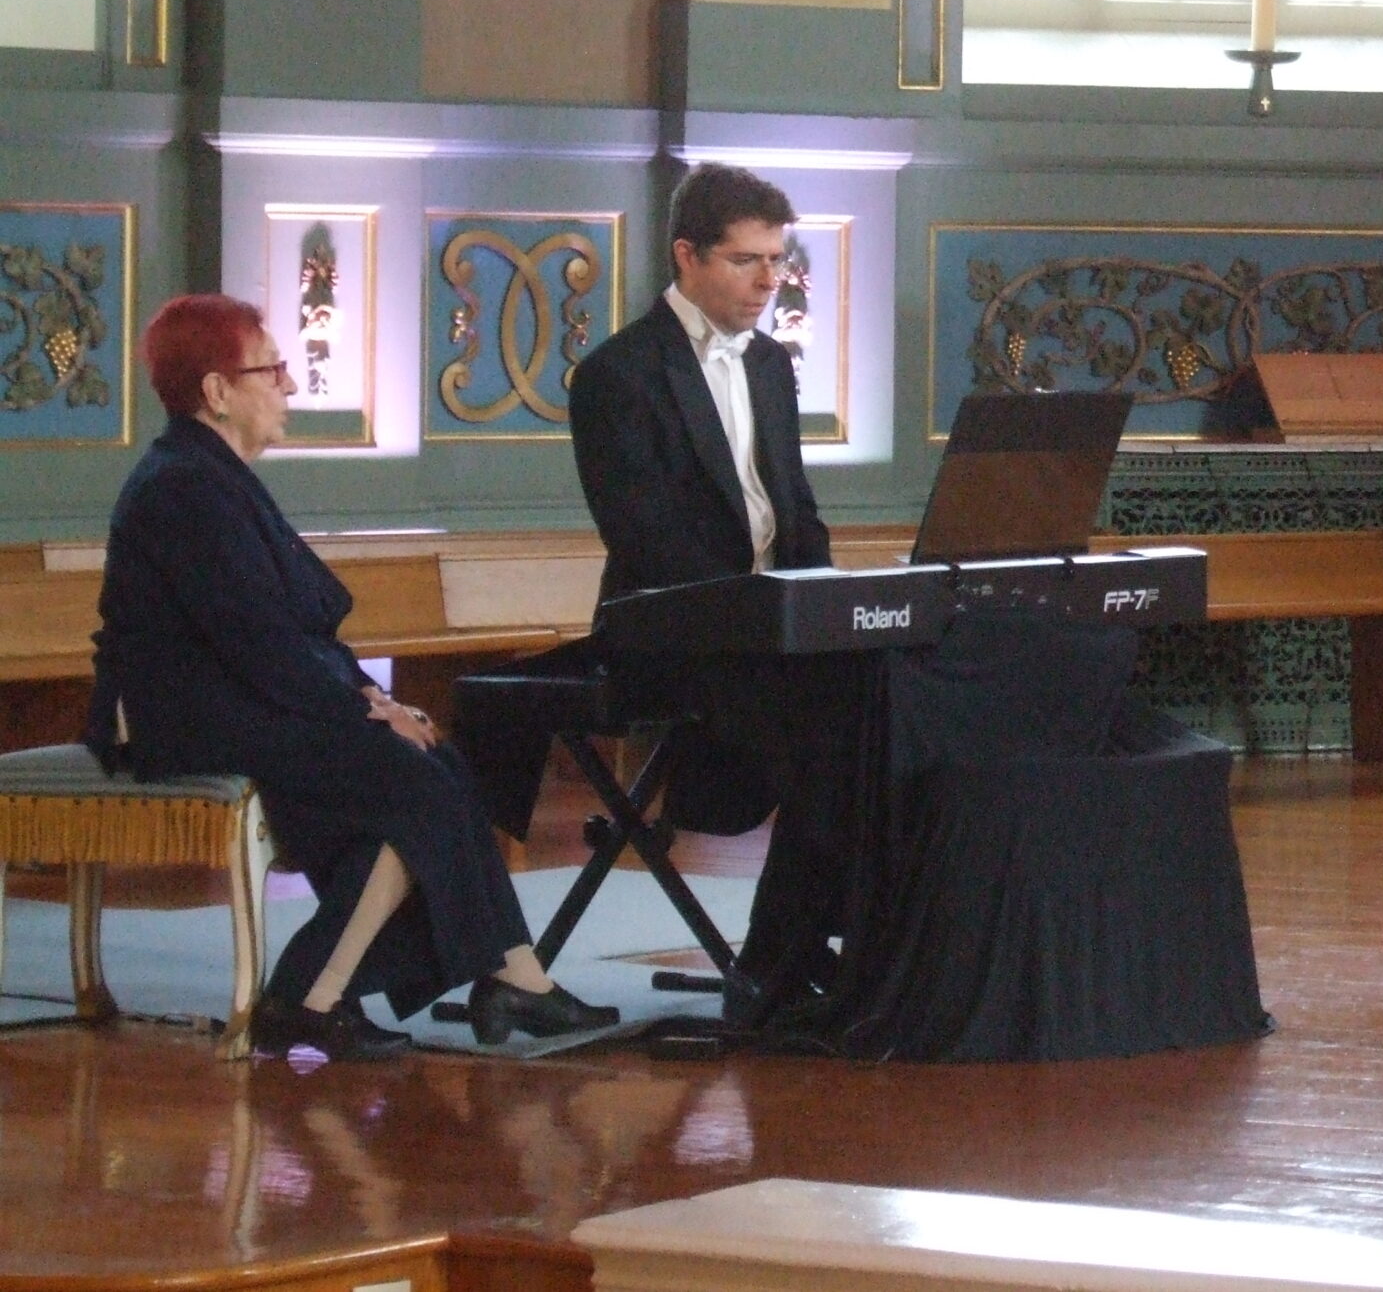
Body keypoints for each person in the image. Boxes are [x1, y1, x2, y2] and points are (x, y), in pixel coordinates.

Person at [87, 295, 617, 1061]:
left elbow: (282, 634)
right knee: (413, 778)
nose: (290, 386)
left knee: (430, 762)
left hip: (241, 697)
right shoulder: (183, 486)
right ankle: (330, 991)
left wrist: (371, 698)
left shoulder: (210, 473)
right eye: (271, 369)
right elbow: (257, 640)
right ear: (216, 392)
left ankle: (471, 978)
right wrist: (361, 707)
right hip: (185, 718)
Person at [568, 162, 849, 1026]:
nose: (770, 281)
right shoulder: (618, 374)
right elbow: (648, 541)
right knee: (831, 736)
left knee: (887, 699)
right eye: (746, 261)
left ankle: (838, 948)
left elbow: (793, 508)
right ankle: (773, 966)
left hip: (769, 630)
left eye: (778, 260)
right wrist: (762, 619)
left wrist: (832, 611)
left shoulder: (770, 363)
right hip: (674, 636)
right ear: (687, 255)